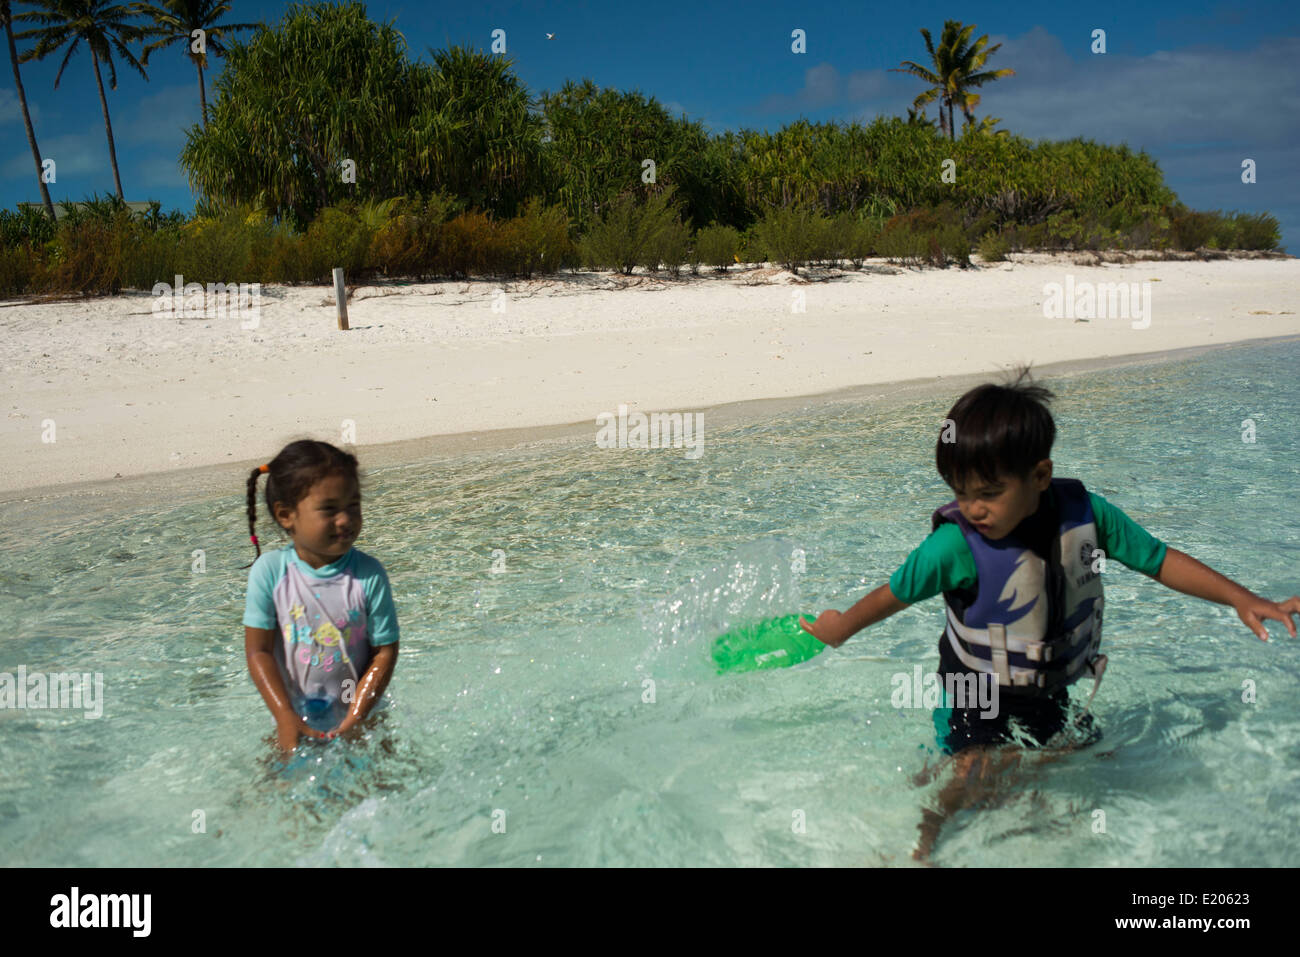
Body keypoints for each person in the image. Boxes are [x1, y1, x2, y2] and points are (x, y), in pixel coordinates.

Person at [798, 366, 1299, 860]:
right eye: (960, 492)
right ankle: (923, 843)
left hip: (1048, 685)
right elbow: (893, 595)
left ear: (1040, 476)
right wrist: (839, 628)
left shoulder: (1087, 515)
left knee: (1071, 756)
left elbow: (1158, 560)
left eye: (989, 493)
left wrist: (1242, 598)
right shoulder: (953, 546)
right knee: (973, 770)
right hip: (978, 688)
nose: (973, 508)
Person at [241, 440, 400, 754]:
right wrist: (284, 715)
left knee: (383, 785)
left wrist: (357, 716)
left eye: (353, 505)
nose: (345, 519)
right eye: (329, 509)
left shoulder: (369, 575)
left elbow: (385, 651)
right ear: (286, 515)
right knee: (275, 787)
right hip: (293, 716)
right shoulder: (270, 572)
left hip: (361, 714)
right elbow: (258, 651)